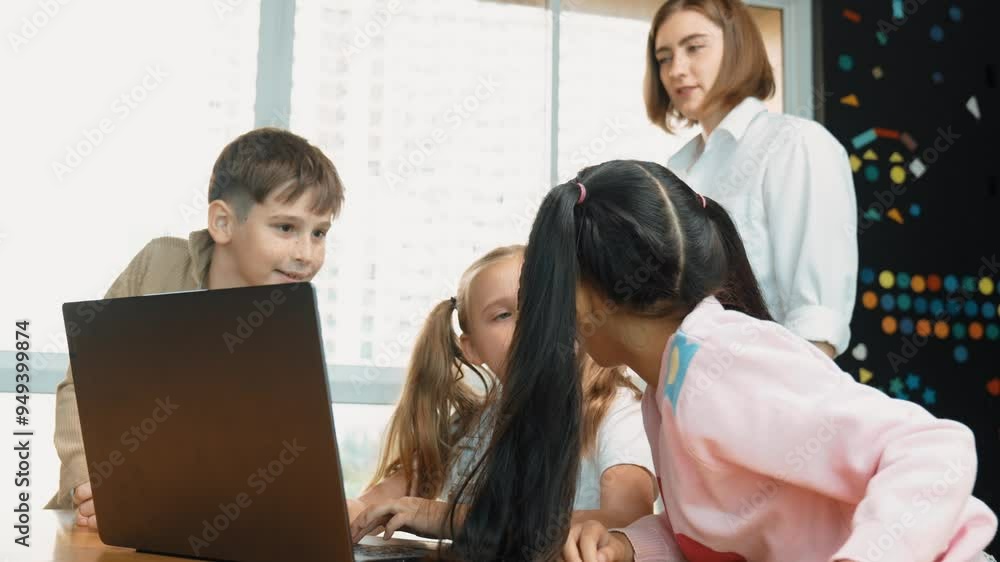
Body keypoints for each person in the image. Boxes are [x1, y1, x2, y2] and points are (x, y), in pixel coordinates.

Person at [446, 160, 994, 561]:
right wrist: (628, 546)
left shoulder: (721, 360)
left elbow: (932, 447)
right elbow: (713, 533)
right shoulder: (669, 388)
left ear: (590, 292)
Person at [47, 128, 346, 530]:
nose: (306, 254)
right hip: (95, 515)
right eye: (286, 228)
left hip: (207, 527)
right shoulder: (157, 267)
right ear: (223, 222)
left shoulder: (291, 335)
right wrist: (91, 483)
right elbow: (85, 385)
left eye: (319, 233)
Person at [349, 245, 656, 543]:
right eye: (503, 315)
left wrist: (448, 518)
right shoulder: (470, 428)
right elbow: (372, 504)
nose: (530, 322)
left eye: (542, 304)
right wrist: (354, 512)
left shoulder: (617, 412)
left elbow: (627, 520)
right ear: (471, 349)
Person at [647, 0, 857, 357]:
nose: (676, 69)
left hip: (770, 393)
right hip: (686, 391)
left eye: (694, 47)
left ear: (737, 48)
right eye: (664, 57)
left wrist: (782, 406)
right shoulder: (673, 170)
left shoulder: (794, 143)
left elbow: (818, 322)